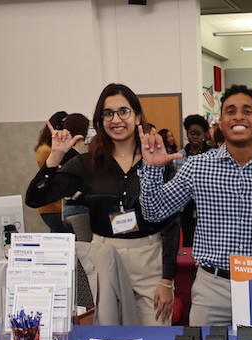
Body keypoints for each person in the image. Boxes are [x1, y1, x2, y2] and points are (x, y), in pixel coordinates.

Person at [138, 84, 252, 326]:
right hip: (210, 287)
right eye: (230, 111)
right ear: (221, 123)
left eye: (247, 111)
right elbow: (154, 212)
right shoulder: (198, 167)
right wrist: (152, 169)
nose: (238, 116)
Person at [26, 83, 179, 325]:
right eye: (108, 113)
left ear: (137, 116)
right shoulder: (87, 164)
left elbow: (171, 223)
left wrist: (167, 280)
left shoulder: (156, 161)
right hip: (104, 256)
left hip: (149, 258)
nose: (116, 119)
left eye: (123, 111)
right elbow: (35, 198)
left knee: (156, 332)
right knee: (111, 336)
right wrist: (55, 156)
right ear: (100, 120)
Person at [174, 114, 214, 247]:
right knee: (187, 239)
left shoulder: (213, 155)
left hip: (207, 206)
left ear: (205, 135)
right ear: (187, 135)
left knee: (207, 239)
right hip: (185, 206)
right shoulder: (179, 156)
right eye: (192, 133)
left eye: (198, 134)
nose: (195, 137)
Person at [59, 112, 93, 241]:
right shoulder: (74, 157)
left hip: (71, 207)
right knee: (85, 248)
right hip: (79, 208)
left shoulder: (66, 154)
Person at [34, 110, 69, 232]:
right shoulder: (46, 150)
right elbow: (50, 175)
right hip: (52, 205)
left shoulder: (49, 149)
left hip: (57, 205)